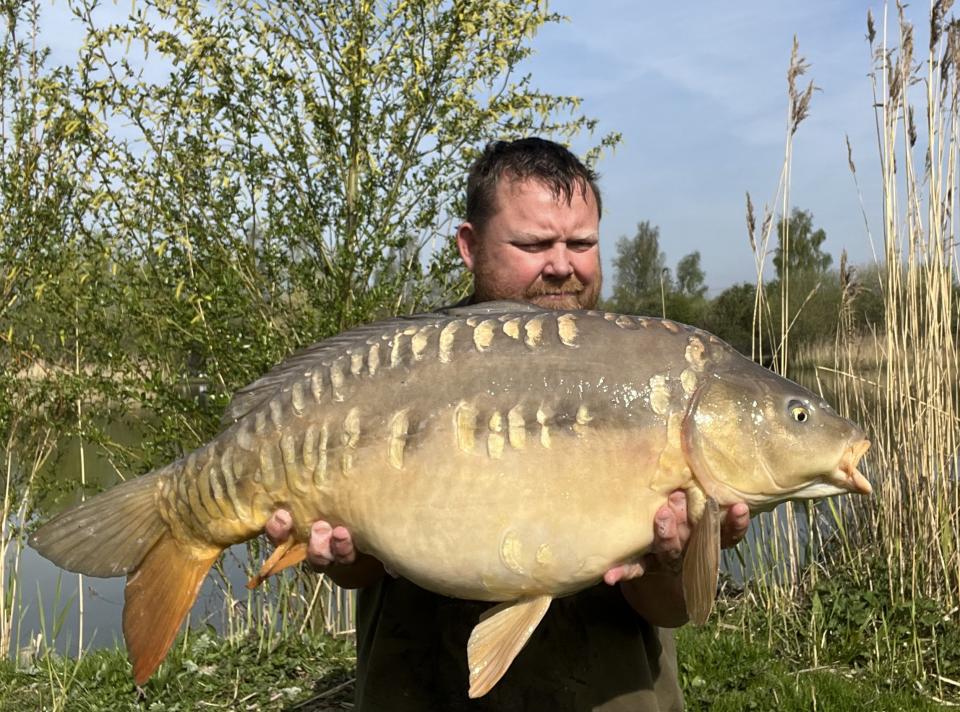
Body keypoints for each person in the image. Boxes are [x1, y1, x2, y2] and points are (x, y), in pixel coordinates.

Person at [267, 137, 750, 711]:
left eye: (582, 243)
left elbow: (672, 609)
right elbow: (362, 570)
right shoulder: (396, 366)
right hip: (423, 691)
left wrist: (678, 557)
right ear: (470, 247)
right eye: (534, 243)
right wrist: (342, 555)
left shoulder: (648, 377)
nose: (562, 265)